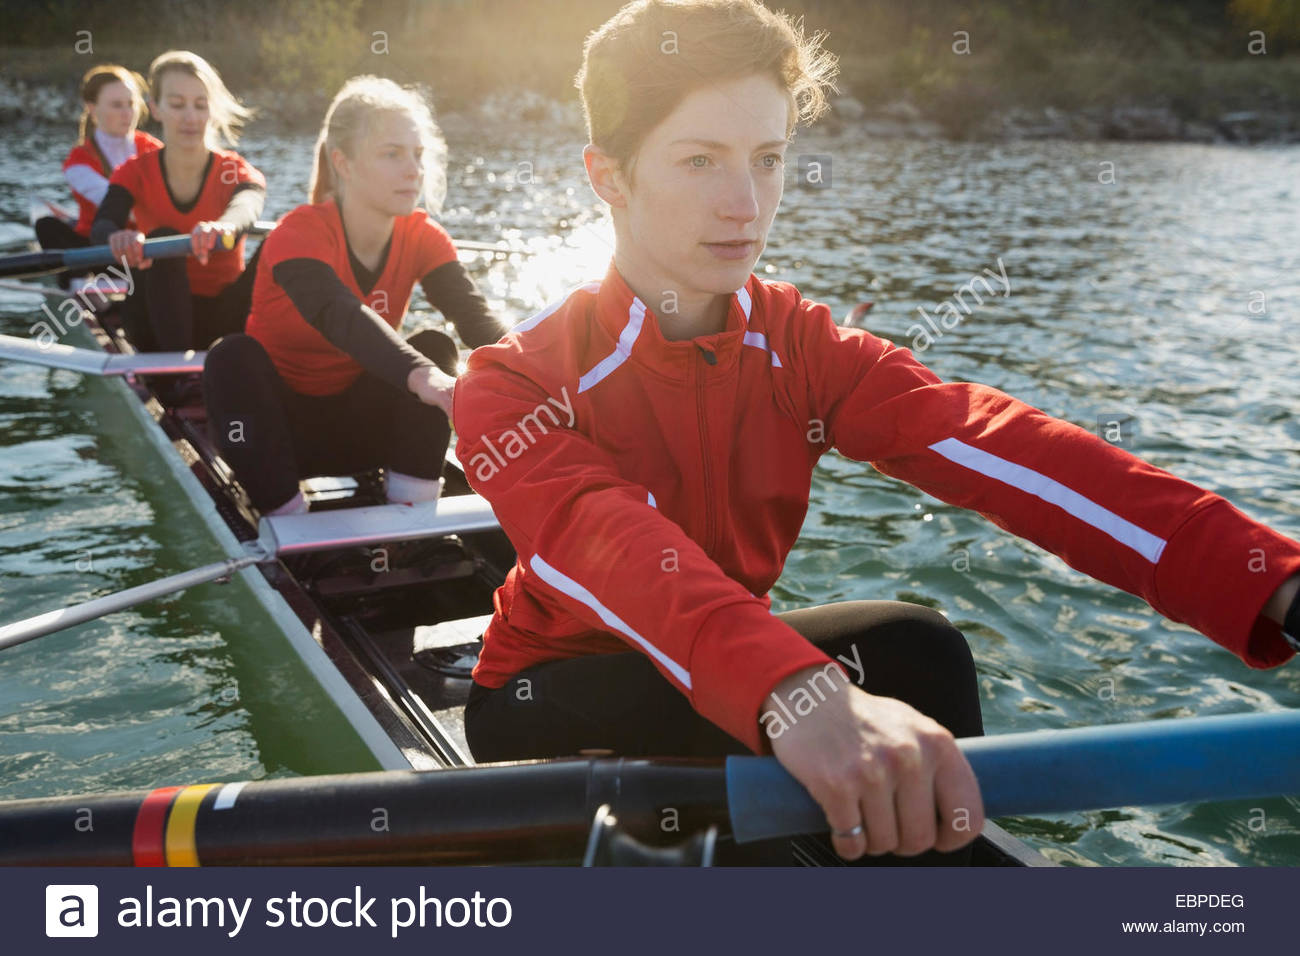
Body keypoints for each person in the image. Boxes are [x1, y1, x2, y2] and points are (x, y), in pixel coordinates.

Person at [452, 0, 1300, 866]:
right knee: (770, 735)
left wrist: (1271, 581)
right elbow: (613, 550)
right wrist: (793, 693)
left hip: (729, 670)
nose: (745, 204)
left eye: (769, 160)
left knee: (917, 647)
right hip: (548, 695)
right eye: (700, 159)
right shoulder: (510, 388)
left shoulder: (798, 348)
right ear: (610, 177)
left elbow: (1004, 449)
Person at [203, 76, 508, 516]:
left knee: (436, 345)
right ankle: (288, 525)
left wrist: (549, 378)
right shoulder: (298, 233)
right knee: (229, 357)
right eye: (392, 154)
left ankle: (412, 523)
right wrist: (424, 377)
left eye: (418, 155)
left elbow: (476, 319)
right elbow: (338, 313)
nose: (413, 170)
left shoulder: (424, 237)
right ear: (343, 163)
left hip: (363, 429)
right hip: (279, 435)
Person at [90, 50, 265, 353]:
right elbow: (103, 225)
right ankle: (179, 376)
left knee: (278, 243)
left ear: (212, 111)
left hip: (224, 319)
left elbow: (246, 207)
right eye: (177, 104)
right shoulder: (133, 172)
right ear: (155, 108)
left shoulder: (233, 170)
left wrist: (222, 227)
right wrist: (117, 237)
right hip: (153, 322)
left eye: (200, 105)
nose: (190, 117)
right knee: (162, 238)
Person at [34, 64, 161, 254]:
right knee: (46, 226)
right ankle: (76, 280)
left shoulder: (154, 148)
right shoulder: (78, 162)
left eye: (131, 103)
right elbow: (119, 208)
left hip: (145, 245)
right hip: (97, 248)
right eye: (117, 105)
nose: (127, 113)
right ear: (93, 109)